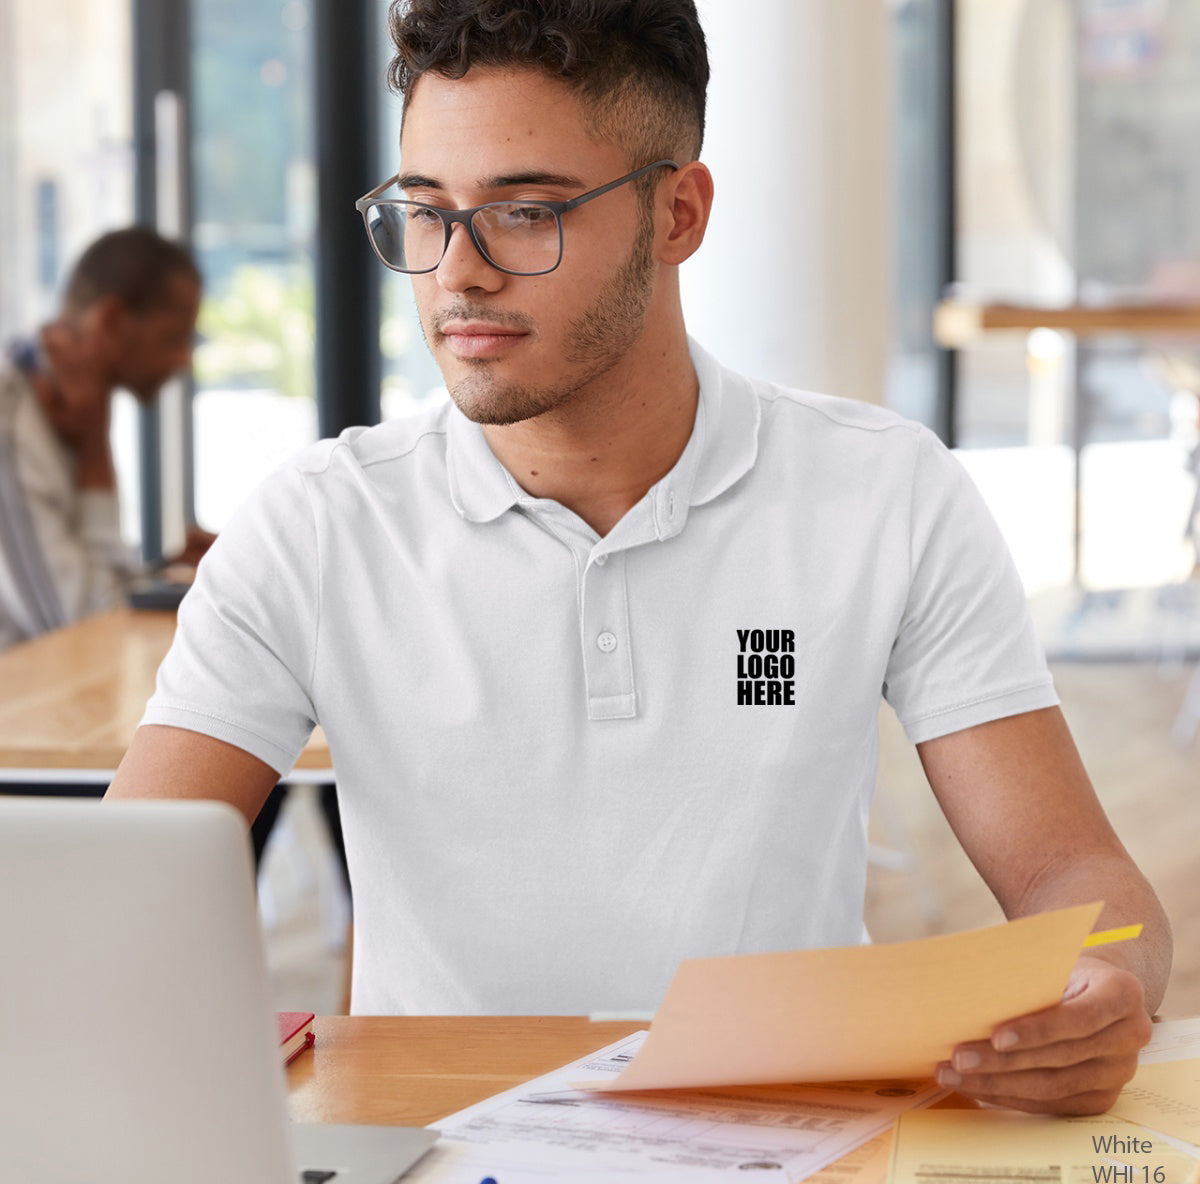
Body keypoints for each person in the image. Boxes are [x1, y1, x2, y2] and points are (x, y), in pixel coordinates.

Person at [108, 0, 1170, 1116]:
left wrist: (1103, 991)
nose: (455, 275)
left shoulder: (884, 494)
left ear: (678, 213)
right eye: (425, 213)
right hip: (441, 1153)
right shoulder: (315, 527)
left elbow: (1076, 880)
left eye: (523, 212)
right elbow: (116, 894)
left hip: (788, 1142)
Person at [0, 227, 206, 650]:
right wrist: (95, 452)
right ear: (110, 320)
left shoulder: (77, 406)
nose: (185, 359)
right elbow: (77, 627)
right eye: (174, 337)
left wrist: (158, 574)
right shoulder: (11, 419)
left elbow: (93, 596)